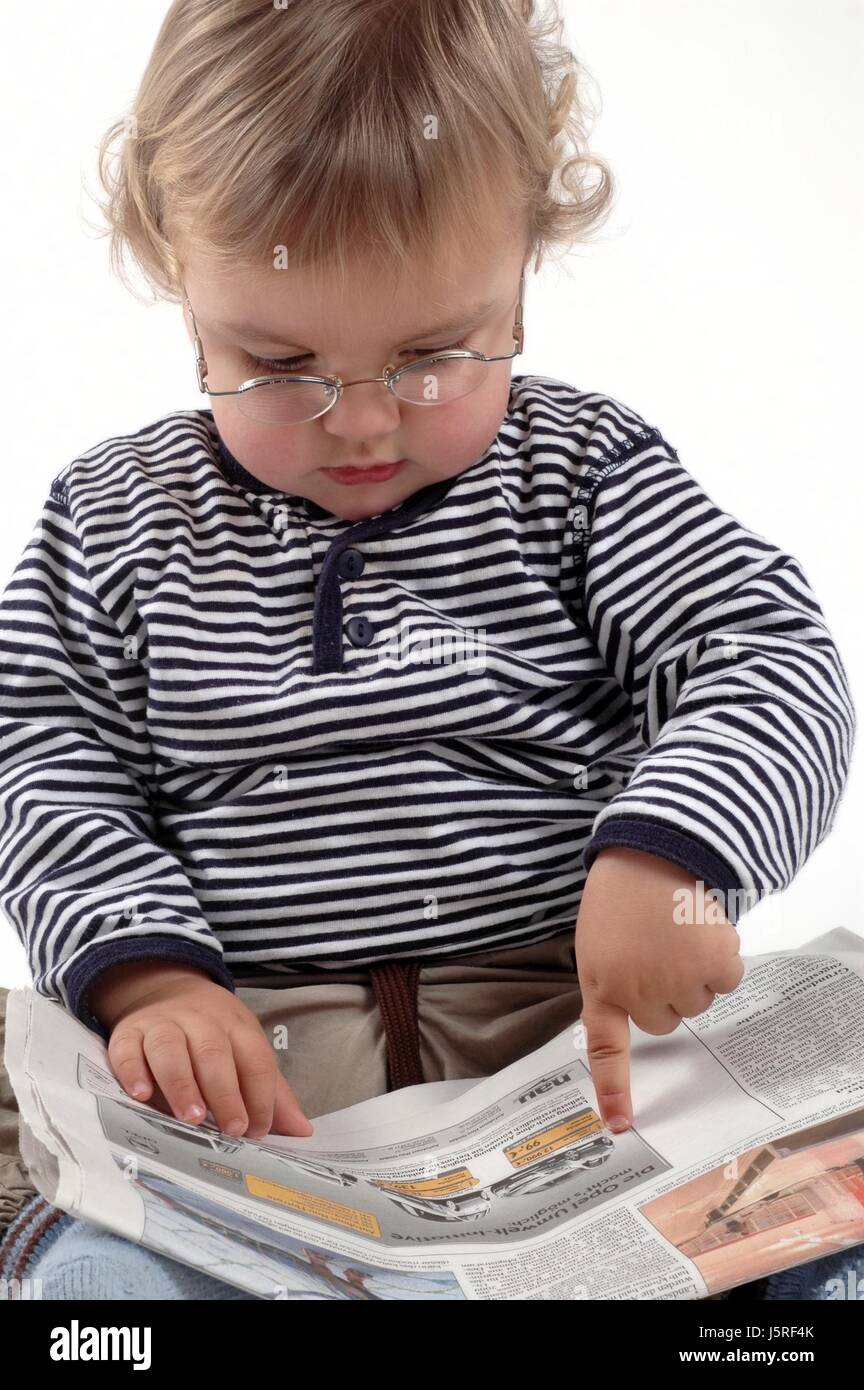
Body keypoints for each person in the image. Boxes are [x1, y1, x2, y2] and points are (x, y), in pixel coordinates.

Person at [0, 0, 856, 1300]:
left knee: (812, 1244)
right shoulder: (114, 522)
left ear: (523, 270)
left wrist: (672, 862)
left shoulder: (583, 479)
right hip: (246, 1080)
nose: (361, 424)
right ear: (182, 282)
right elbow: (42, 759)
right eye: (279, 363)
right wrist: (150, 974)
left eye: (434, 356)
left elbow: (764, 655)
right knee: (91, 1280)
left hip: (562, 1040)